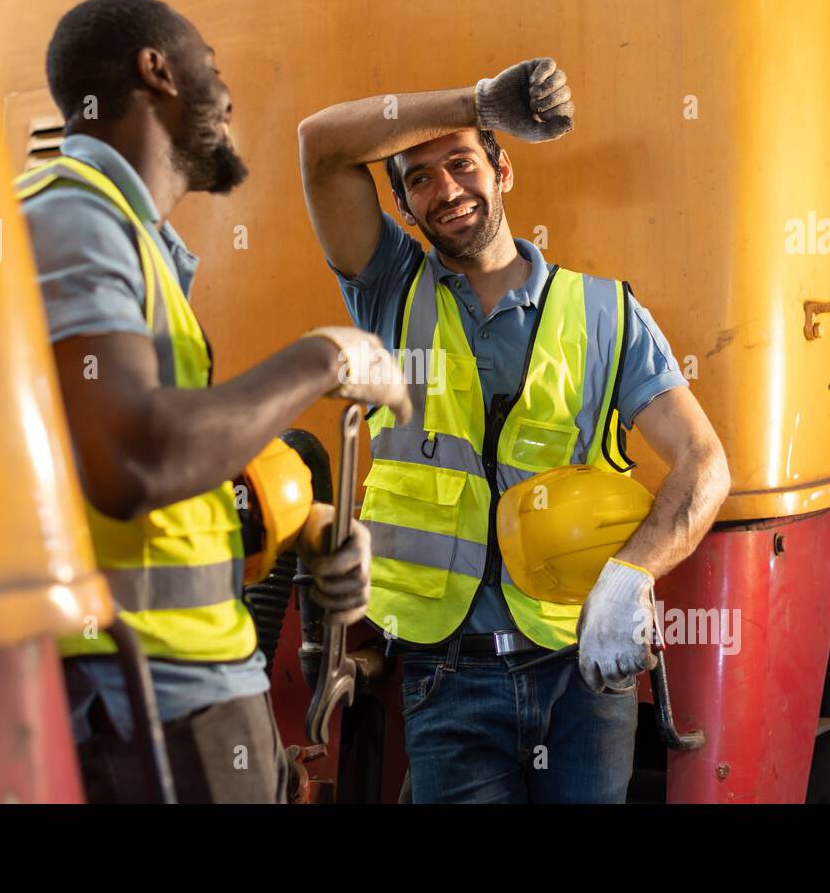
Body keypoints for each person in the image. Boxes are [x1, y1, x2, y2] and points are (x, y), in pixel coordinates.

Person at [297, 58, 731, 802]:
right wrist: (479, 102)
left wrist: (633, 576)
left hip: (583, 676)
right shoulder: (389, 293)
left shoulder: (606, 315)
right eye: (420, 179)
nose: (446, 190)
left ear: (503, 171)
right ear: (402, 206)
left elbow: (703, 462)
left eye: (462, 162)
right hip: (447, 677)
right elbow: (321, 145)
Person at [18, 0, 409, 803]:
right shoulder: (74, 219)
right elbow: (133, 456)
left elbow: (163, 470)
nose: (228, 99)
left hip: (192, 690)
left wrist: (304, 523)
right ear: (155, 71)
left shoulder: (127, 237)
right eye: (213, 70)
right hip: (141, 708)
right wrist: (322, 355)